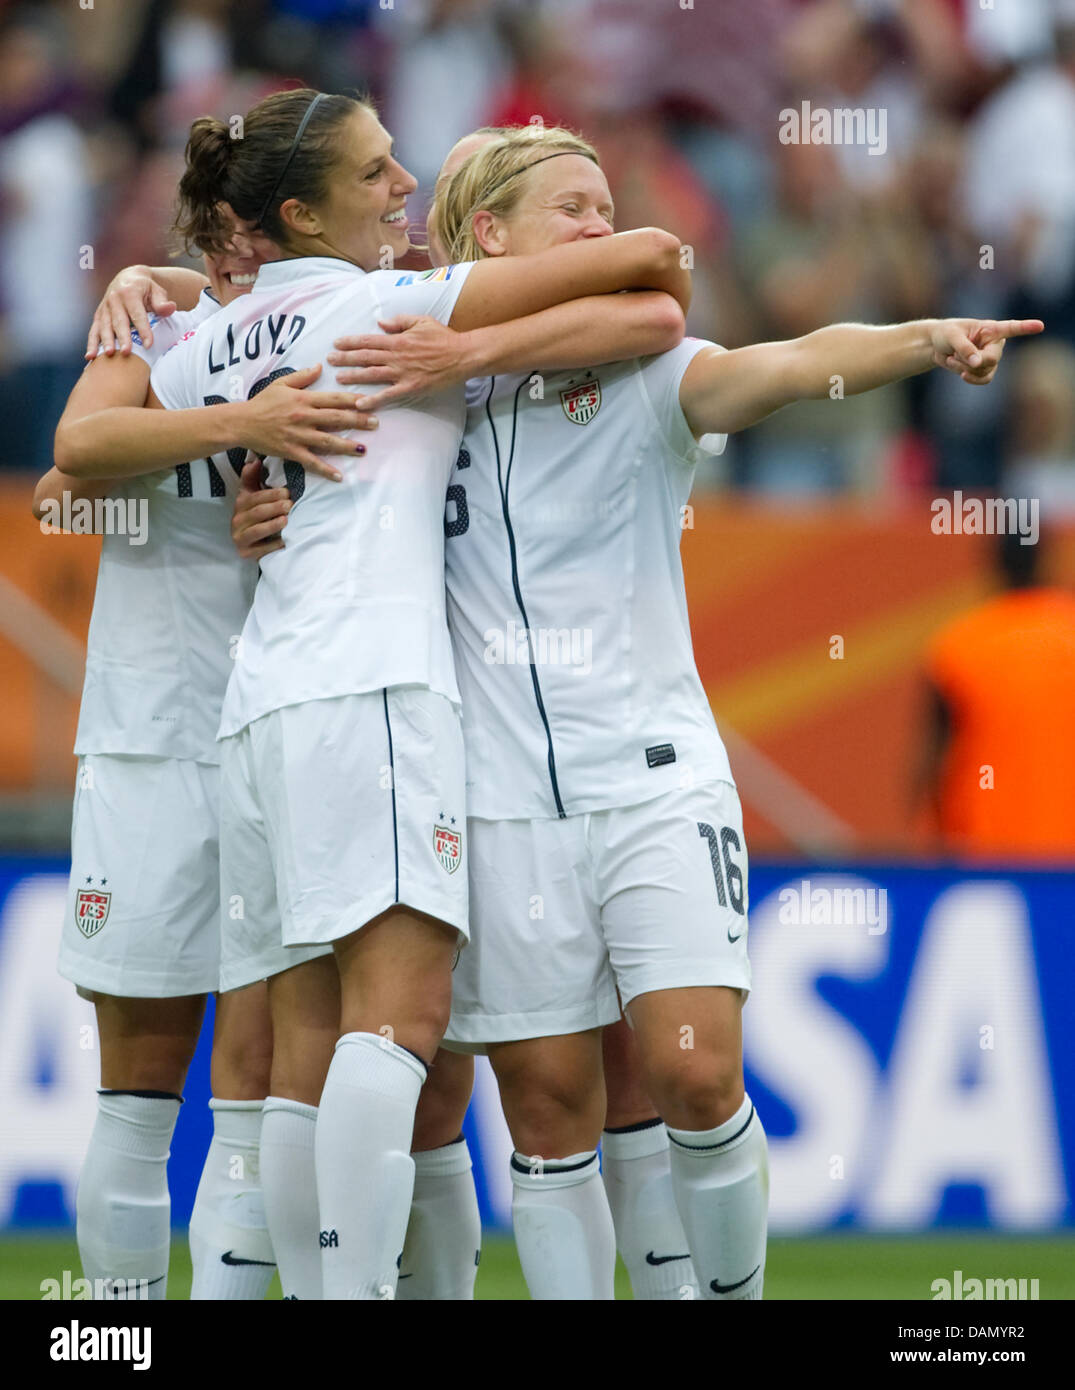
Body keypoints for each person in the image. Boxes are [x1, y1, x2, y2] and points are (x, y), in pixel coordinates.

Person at [270, 122, 1039, 1300]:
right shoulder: (403, 382)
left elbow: (784, 363)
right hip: (493, 793)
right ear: (491, 235)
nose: (602, 225)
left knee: (692, 1070)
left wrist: (923, 339)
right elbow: (258, 361)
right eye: (572, 207)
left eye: (607, 201)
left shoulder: (640, 369)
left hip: (649, 772)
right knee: (545, 1104)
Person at [105, 85, 691, 1301]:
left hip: (257, 707)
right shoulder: (381, 304)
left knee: (304, 1050)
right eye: (378, 175)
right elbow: (649, 271)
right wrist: (465, 344)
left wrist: (150, 295)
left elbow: (86, 445)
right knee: (400, 1023)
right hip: (368, 686)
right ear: (305, 211)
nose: (405, 188)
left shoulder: (217, 341)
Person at [36, 241, 364, 1301]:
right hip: (146, 740)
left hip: (279, 736)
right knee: (138, 1090)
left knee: (263, 1085)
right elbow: (62, 489)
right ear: (240, 238)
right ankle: (119, 1331)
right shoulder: (155, 334)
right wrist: (220, 462)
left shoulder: (354, 323)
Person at [921, 528, 1075, 862]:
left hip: (988, 859)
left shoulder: (959, 645)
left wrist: (933, 851)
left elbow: (932, 764)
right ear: (1047, 562)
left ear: (994, 564)